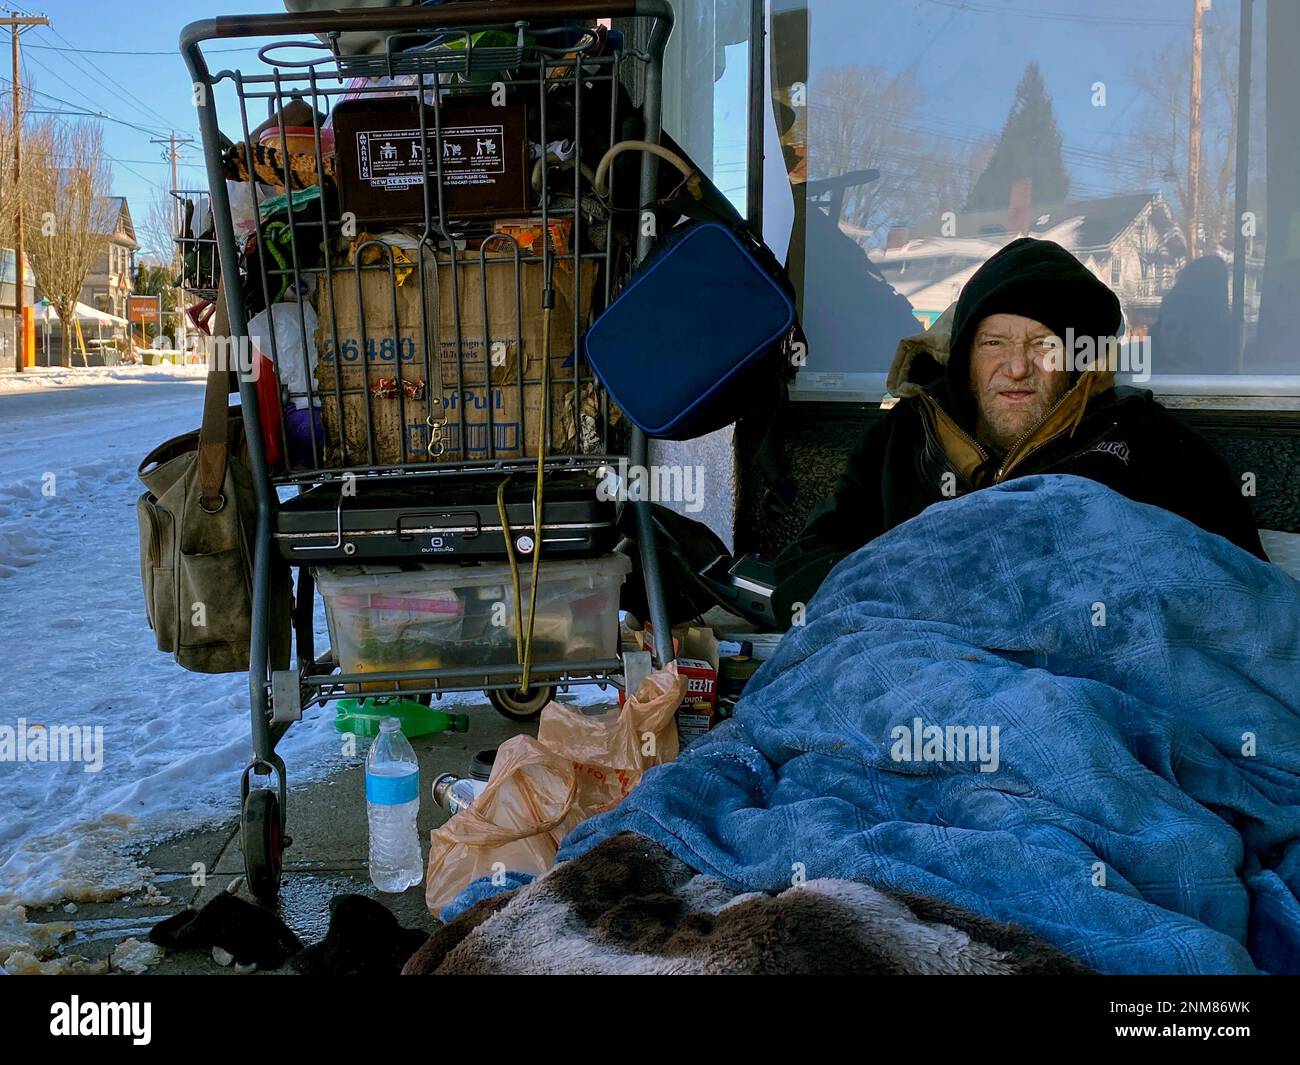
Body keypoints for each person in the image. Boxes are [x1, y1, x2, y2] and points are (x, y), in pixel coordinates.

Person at [772, 237, 1266, 625]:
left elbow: (1243, 596)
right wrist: (914, 580)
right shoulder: (901, 439)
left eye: (1042, 345)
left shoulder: (1150, 446)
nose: (1015, 367)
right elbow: (800, 574)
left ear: (1077, 359)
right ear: (965, 356)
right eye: (993, 343)